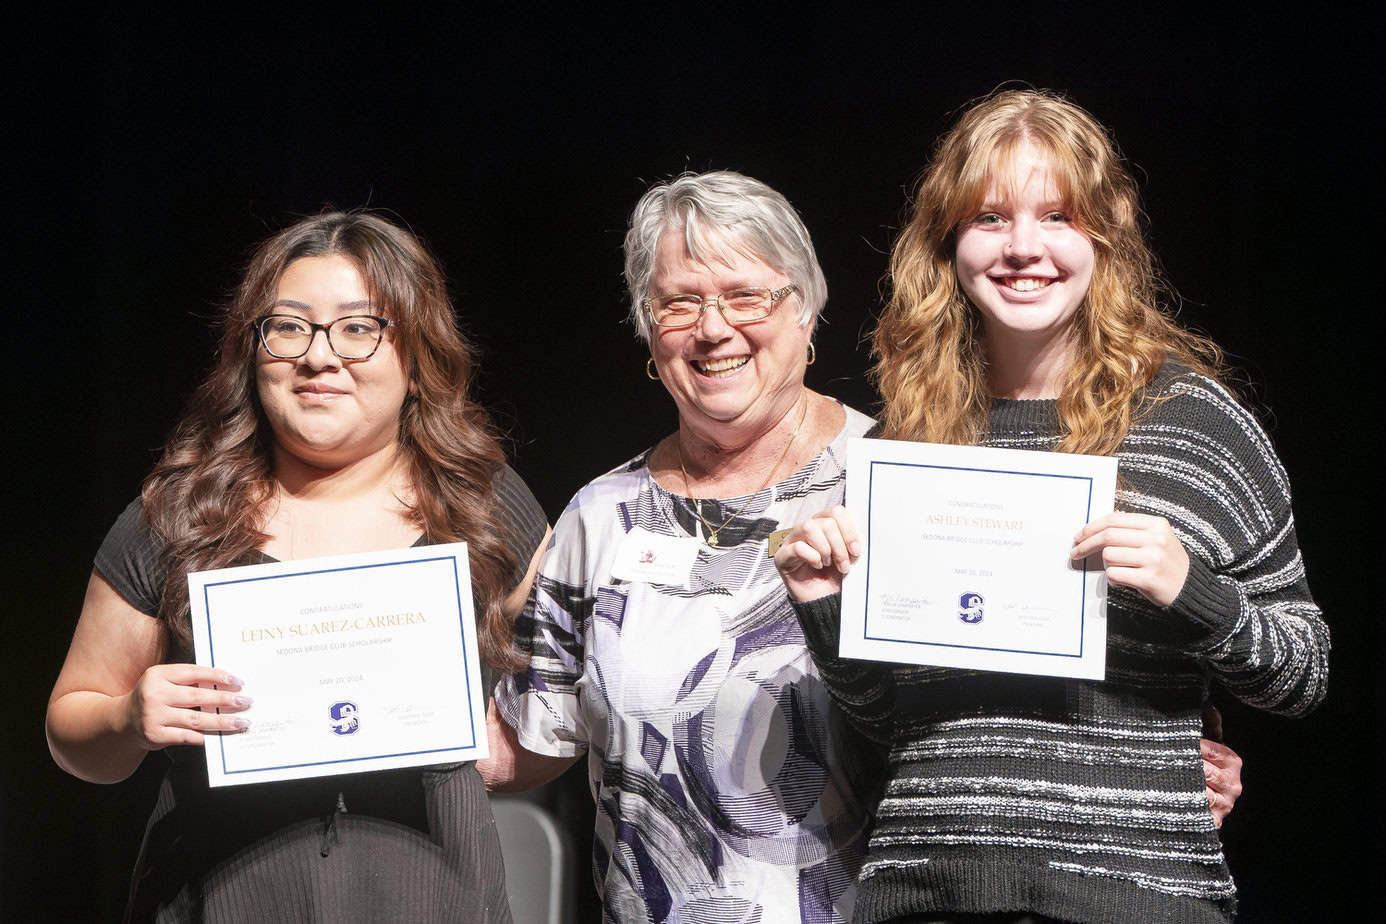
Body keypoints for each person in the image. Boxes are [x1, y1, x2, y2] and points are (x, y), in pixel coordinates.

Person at [482, 171, 1243, 923]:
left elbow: (1022, 698)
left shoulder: (911, 476)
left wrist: (1168, 768)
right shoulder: (601, 518)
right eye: (679, 302)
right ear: (649, 330)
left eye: (747, 296)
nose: (713, 328)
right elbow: (524, 746)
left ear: (807, 310)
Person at [772, 90, 1327, 923]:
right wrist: (824, 609)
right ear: (949, 242)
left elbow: (1304, 673)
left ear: (1104, 235)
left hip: (1136, 897)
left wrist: (1194, 591)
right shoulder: (908, 444)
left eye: (1058, 216)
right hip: (930, 892)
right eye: (990, 218)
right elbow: (891, 719)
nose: (1024, 247)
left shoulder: (1196, 427)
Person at [46, 212, 549, 922]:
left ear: (417, 358)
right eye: (288, 327)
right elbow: (72, 731)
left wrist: (489, 754)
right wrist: (128, 718)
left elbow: (566, 706)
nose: (319, 357)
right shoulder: (178, 515)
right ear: (251, 352)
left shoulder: (483, 509)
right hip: (220, 896)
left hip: (430, 895)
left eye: (359, 327)